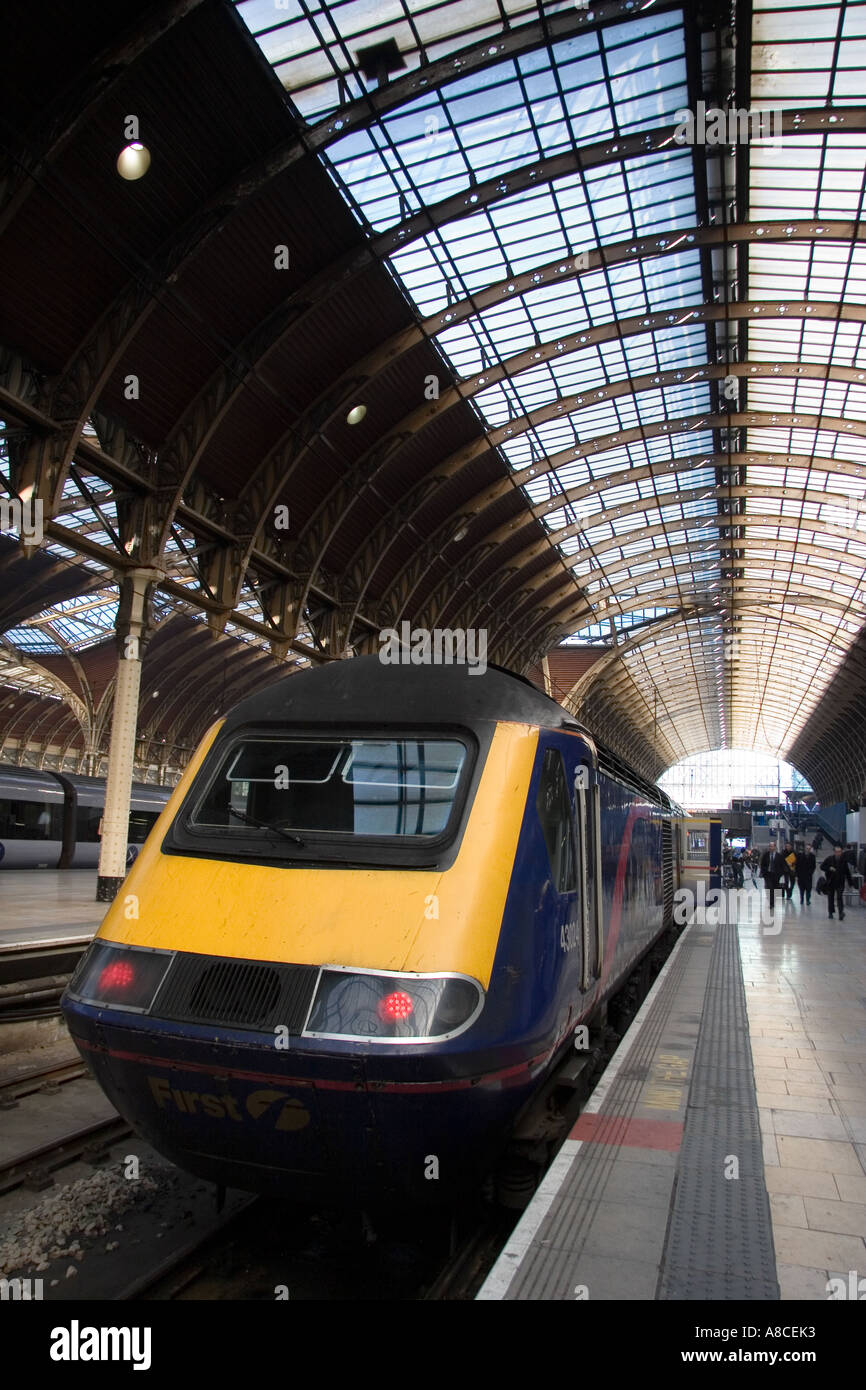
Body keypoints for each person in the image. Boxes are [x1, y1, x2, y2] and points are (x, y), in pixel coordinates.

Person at [821, 845, 854, 921]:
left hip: (840, 882)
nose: (838, 853)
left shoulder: (843, 860)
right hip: (831, 881)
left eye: (839, 852)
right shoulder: (829, 859)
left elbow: (847, 872)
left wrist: (850, 883)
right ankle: (830, 912)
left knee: (839, 897)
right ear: (834, 852)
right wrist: (829, 868)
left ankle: (840, 913)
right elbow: (822, 867)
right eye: (836, 852)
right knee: (831, 897)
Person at [760, 839, 787, 911]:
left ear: (775, 847)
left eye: (772, 846)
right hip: (768, 874)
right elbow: (762, 864)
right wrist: (763, 872)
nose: (771, 848)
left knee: (774, 888)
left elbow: (782, 865)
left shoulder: (779, 856)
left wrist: (781, 873)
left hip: (776, 875)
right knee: (769, 887)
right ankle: (771, 903)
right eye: (770, 846)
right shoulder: (766, 855)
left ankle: (773, 901)